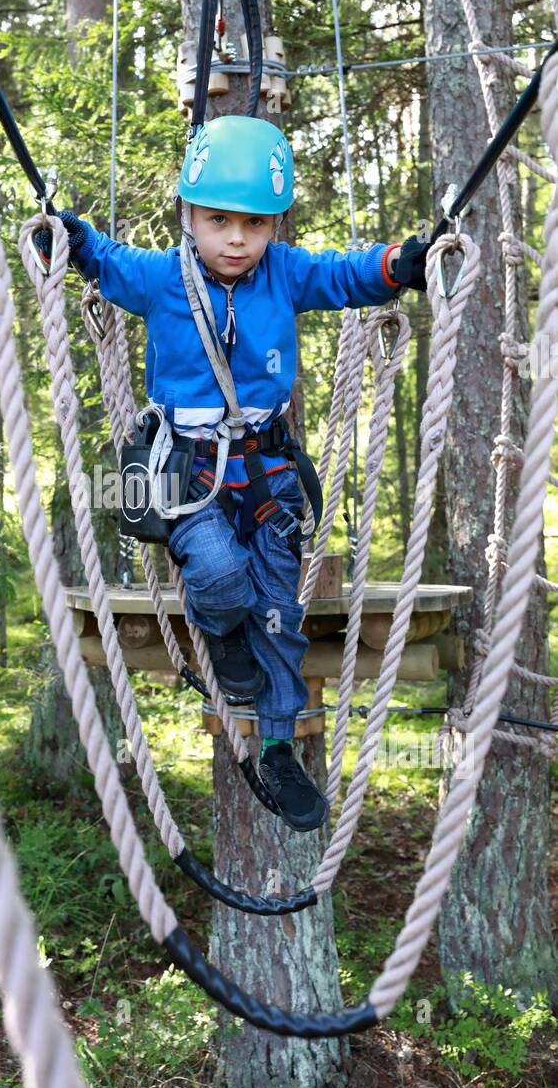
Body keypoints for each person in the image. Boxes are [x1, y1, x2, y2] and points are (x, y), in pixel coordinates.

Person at [35, 115, 427, 832]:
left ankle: (275, 748)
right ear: (188, 214)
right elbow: (107, 263)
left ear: (274, 225)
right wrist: (71, 237)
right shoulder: (161, 278)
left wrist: (398, 264)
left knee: (280, 616)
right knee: (217, 574)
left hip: (267, 474)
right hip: (187, 474)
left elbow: (347, 275)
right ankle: (220, 633)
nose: (237, 240)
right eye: (219, 220)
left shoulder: (286, 273)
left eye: (255, 223)